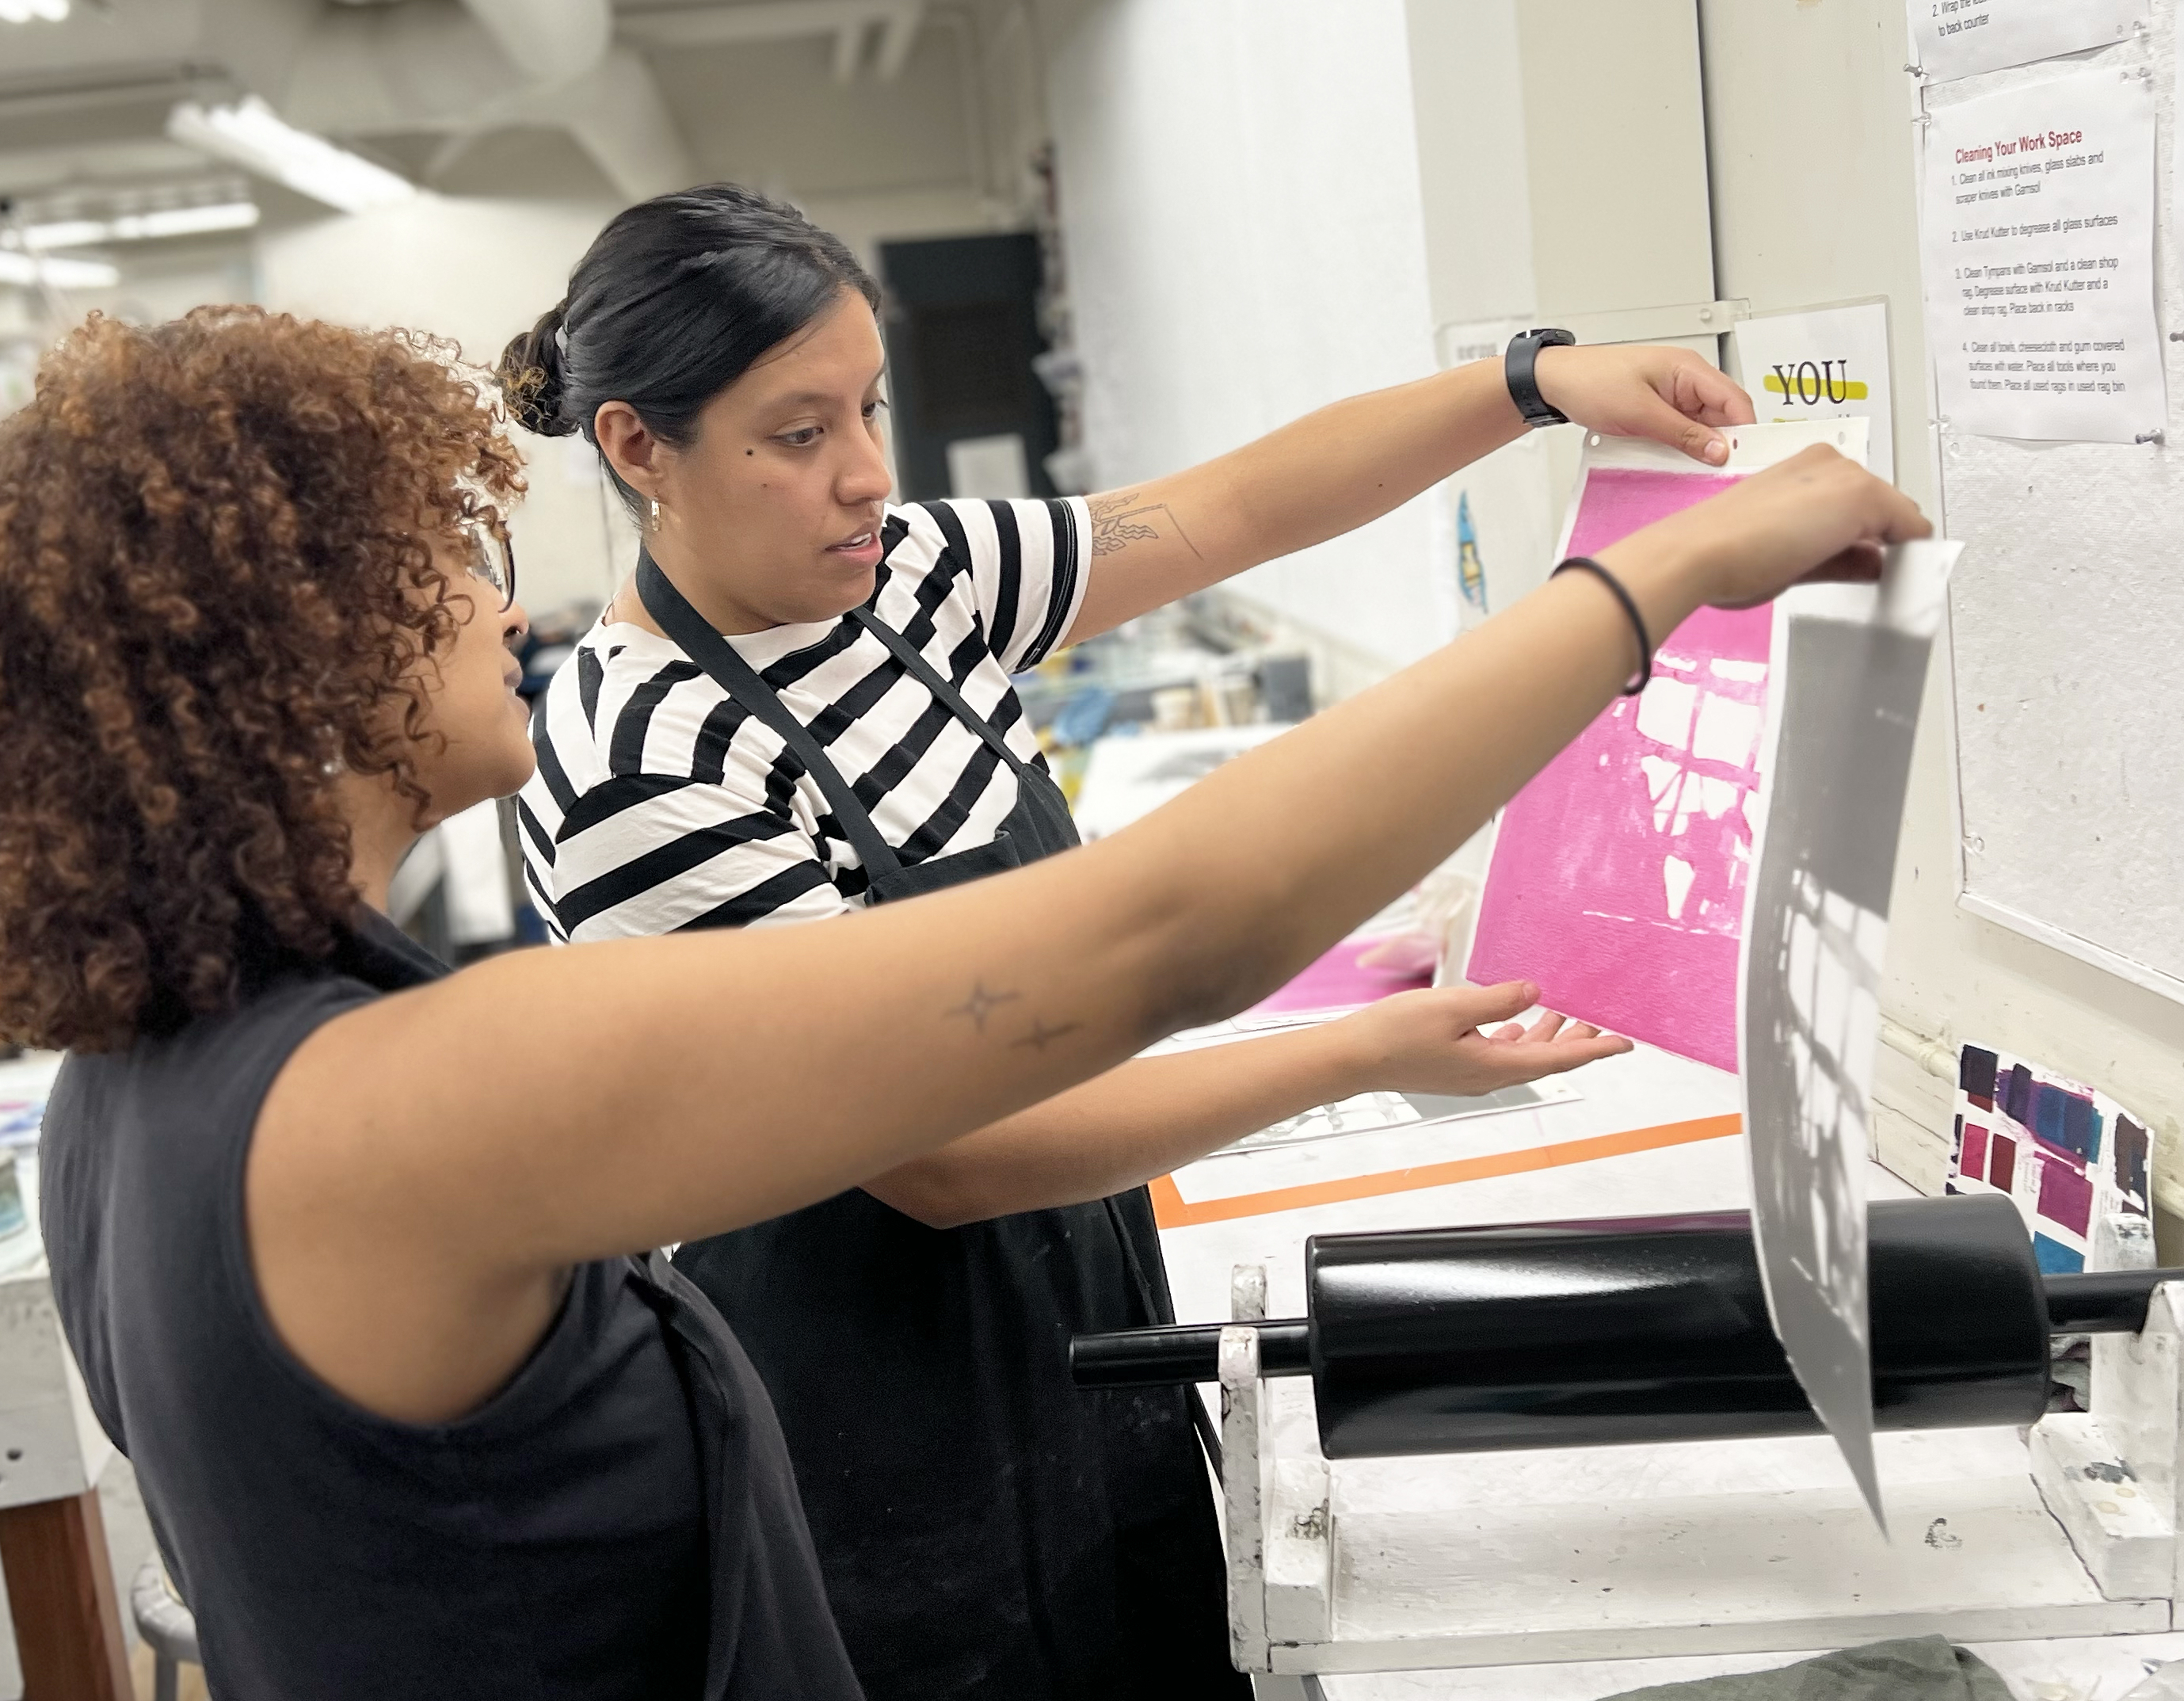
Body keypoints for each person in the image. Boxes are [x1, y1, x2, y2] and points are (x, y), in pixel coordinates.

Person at [0, 302, 1923, 1699]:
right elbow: (1153, 934)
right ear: (278, 655)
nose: (504, 600)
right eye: (435, 560)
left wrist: (1526, 384)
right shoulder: (403, 1100)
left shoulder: (131, 1097)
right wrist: (1666, 577)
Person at [505, 186, 1774, 1699]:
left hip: (1077, 1318)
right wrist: (1357, 1052)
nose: (865, 475)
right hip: (874, 1423)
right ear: (639, 447)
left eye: (871, 407)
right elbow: (940, 1154)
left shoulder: (908, 580)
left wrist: (1529, 385)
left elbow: (1231, 508)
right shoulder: (641, 756)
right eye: (797, 435)